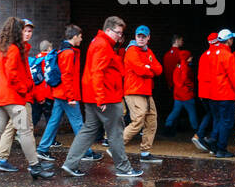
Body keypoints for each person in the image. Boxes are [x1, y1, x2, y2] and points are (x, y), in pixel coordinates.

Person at [0, 17, 54, 182]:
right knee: (24, 131)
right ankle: (35, 166)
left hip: (1, 97)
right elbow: (13, 75)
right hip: (13, 97)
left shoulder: (5, 47)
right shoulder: (14, 49)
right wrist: (24, 89)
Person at [59, 16, 138, 178]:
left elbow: (95, 71)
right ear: (108, 30)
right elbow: (98, 73)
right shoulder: (103, 45)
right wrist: (101, 98)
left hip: (93, 95)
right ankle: (124, 168)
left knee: (88, 130)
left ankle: (70, 163)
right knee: (115, 132)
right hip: (106, 97)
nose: (119, 36)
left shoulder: (98, 42)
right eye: (117, 33)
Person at [38, 24, 91, 157]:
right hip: (67, 95)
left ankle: (43, 148)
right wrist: (71, 97)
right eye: (80, 36)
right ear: (74, 37)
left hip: (60, 94)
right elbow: (67, 76)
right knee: (78, 124)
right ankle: (85, 152)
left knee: (53, 122)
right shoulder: (68, 53)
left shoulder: (62, 51)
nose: (81, 39)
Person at [193, 29, 235, 159]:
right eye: (231, 39)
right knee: (226, 122)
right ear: (229, 40)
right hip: (225, 93)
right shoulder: (227, 55)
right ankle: (220, 148)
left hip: (212, 94)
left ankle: (214, 142)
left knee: (218, 120)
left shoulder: (210, 54)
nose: (233, 41)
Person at [121, 25, 162, 163]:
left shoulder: (148, 52)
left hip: (146, 91)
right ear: (135, 36)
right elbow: (140, 70)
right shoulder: (132, 50)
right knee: (138, 120)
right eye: (139, 36)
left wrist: (147, 67)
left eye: (144, 36)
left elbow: (159, 69)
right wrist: (149, 69)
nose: (141, 39)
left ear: (148, 37)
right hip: (134, 91)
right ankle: (117, 146)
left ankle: (145, 153)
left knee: (151, 121)